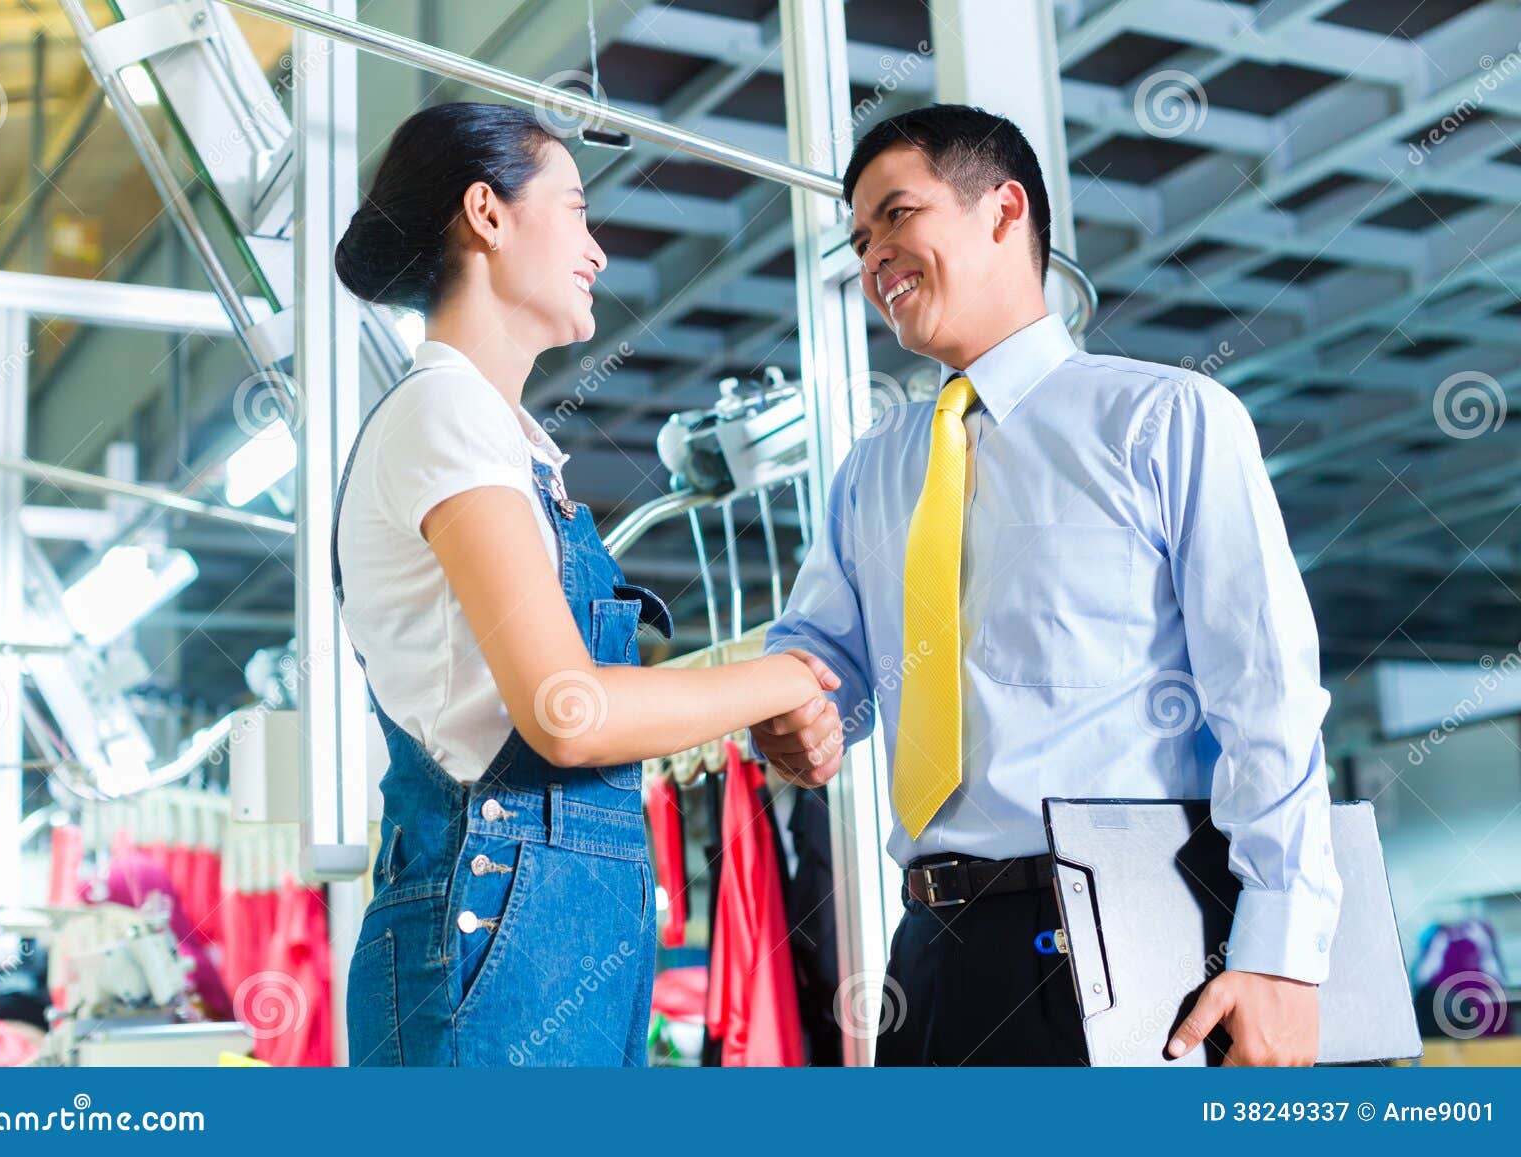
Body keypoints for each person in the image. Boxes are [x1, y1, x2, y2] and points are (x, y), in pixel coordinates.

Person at [750, 104, 1342, 1067]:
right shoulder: (873, 470)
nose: (874, 256)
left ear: (1004, 209)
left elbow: (1265, 695)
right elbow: (822, 663)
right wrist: (795, 714)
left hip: (1133, 939)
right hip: (929, 951)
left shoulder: (1165, 419)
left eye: (897, 215)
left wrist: (1282, 951)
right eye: (859, 241)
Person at [331, 102, 838, 1067]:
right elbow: (569, 712)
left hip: (543, 937)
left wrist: (758, 695)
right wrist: (783, 678)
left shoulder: (508, 442)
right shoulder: (445, 411)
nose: (598, 251)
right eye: (575, 209)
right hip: (490, 932)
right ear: (487, 212)